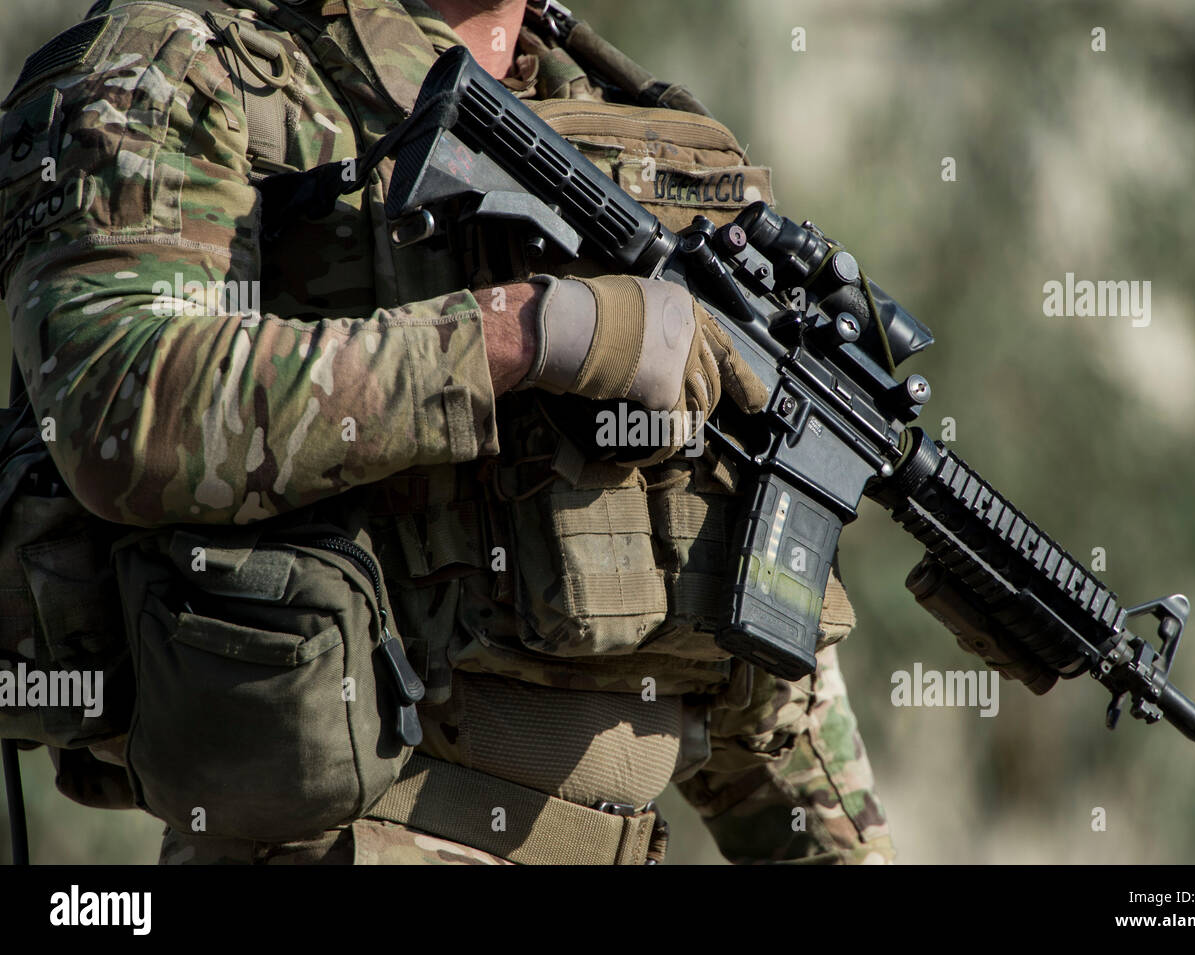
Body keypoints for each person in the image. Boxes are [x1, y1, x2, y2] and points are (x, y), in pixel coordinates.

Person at [0, 0, 896, 864]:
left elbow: (748, 622)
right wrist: (526, 334)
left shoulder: (628, 122)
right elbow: (122, 406)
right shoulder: (186, 64)